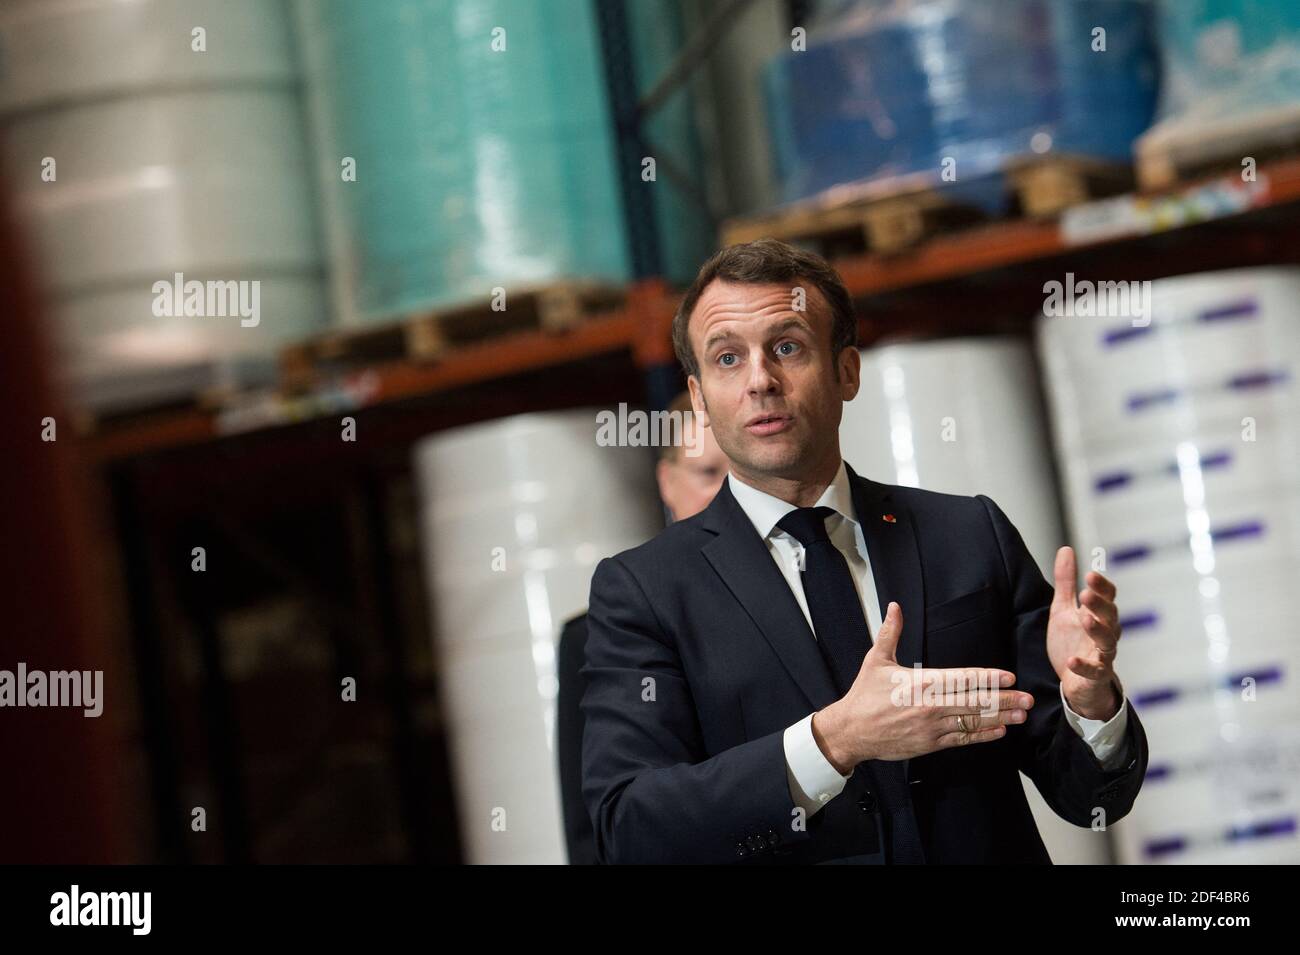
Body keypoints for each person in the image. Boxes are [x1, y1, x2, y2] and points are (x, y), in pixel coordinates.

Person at [579, 238, 1148, 864]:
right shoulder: (643, 591)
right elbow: (629, 825)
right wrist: (833, 742)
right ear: (702, 396)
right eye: (727, 359)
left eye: (787, 347)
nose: (761, 380)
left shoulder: (966, 533)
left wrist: (1088, 704)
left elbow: (1089, 796)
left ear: (846, 371)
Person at [555, 391, 730, 864]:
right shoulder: (593, 638)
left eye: (739, 472)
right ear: (667, 482)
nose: (726, 492)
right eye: (708, 473)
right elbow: (591, 830)